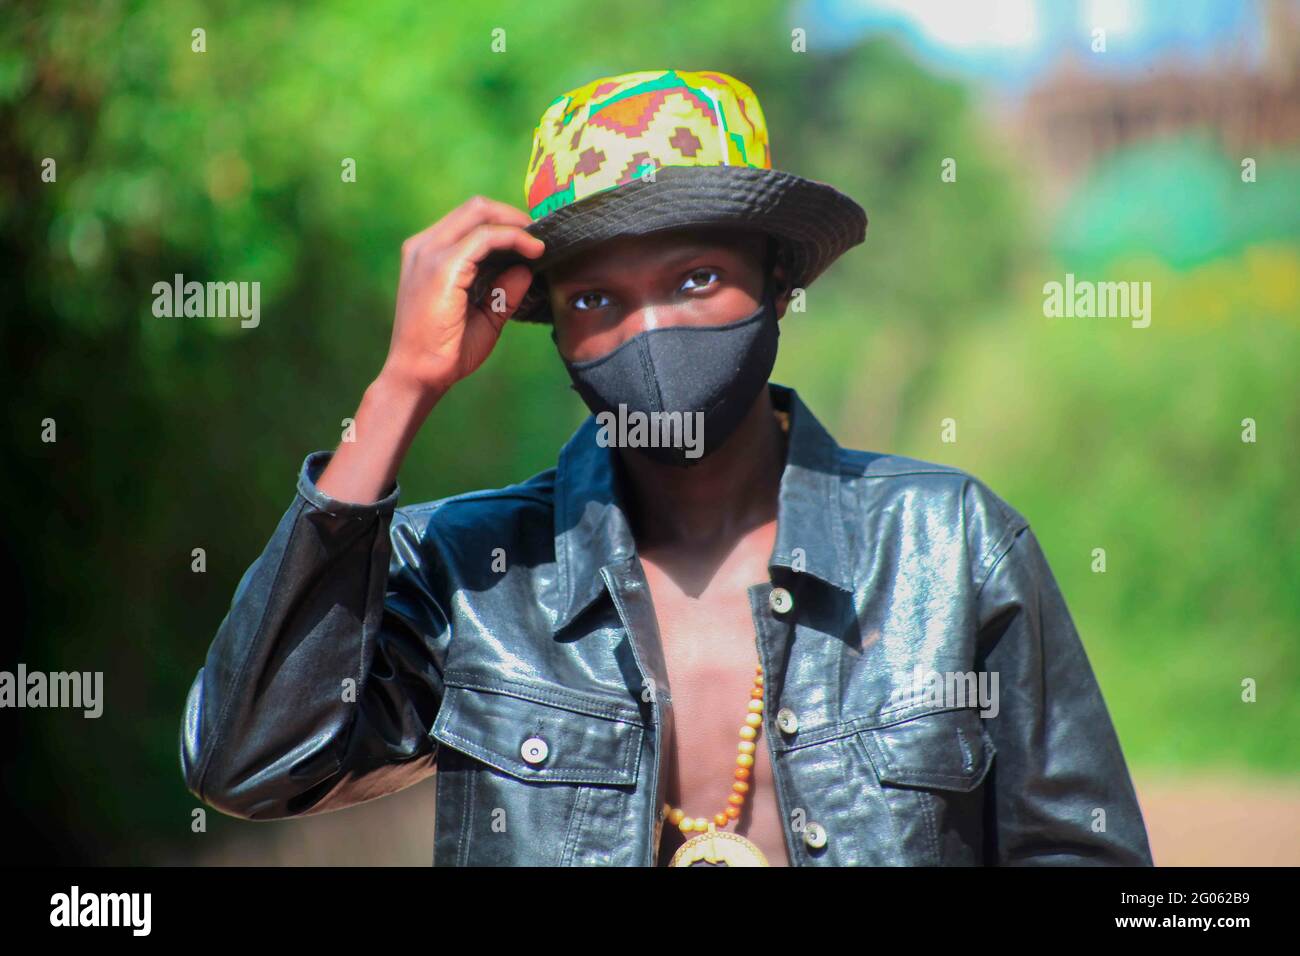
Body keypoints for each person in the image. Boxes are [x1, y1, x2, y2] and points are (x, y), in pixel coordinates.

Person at [180, 68, 1154, 867]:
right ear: (555, 324)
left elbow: (1081, 852)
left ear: (778, 283)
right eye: (598, 298)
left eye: (694, 279)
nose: (647, 332)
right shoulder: (473, 575)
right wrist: (400, 388)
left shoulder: (948, 547)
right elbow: (249, 759)